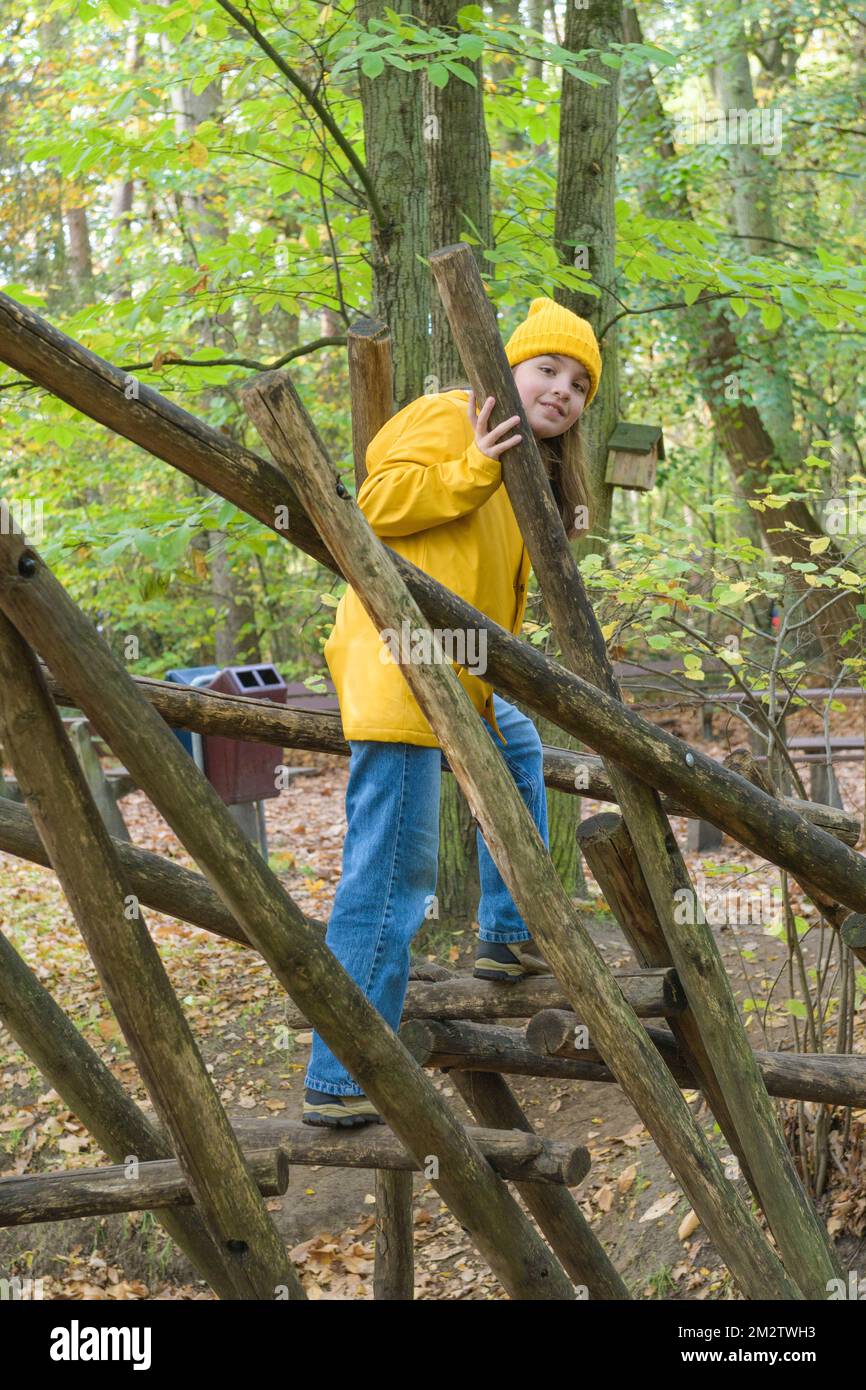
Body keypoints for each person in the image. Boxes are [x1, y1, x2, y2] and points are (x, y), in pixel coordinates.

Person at [303, 297, 602, 1126]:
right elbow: (374, 506)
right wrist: (472, 463)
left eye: (580, 385)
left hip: (461, 680)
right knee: (393, 874)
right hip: (402, 671)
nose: (562, 391)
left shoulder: (528, 477)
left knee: (520, 751)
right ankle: (340, 1077)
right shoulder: (448, 416)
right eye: (547, 369)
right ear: (504, 367)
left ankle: (506, 935)